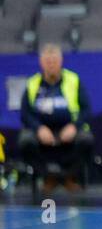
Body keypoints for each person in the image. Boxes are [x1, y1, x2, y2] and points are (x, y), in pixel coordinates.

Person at [19, 44, 94, 192]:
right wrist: (39, 128)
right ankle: (49, 177)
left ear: (61, 61)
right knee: (25, 140)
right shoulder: (33, 83)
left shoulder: (73, 80)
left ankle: (67, 176)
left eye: (54, 60)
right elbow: (25, 113)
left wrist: (74, 126)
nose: (51, 64)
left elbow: (87, 110)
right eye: (48, 61)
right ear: (42, 63)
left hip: (68, 130)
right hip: (43, 131)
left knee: (86, 139)